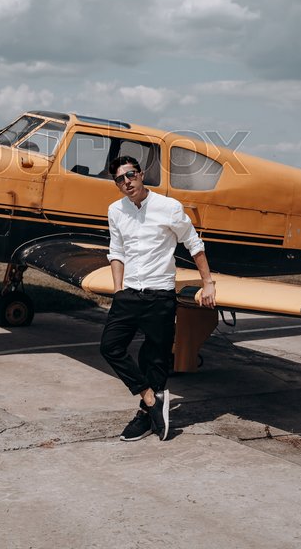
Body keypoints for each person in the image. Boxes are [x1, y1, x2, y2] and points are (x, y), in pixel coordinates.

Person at [100, 155, 216, 442]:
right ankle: (151, 399)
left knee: (155, 358)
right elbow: (117, 250)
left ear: (141, 175)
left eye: (130, 175)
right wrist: (118, 290)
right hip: (128, 294)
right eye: (120, 179)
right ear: (116, 184)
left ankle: (145, 415)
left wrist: (208, 283)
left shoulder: (169, 207)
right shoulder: (115, 210)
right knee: (110, 347)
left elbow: (193, 244)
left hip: (160, 295)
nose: (127, 182)